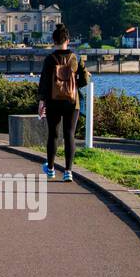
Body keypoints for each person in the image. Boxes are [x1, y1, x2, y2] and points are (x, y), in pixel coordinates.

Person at [37, 24, 88, 183]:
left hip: (53, 101)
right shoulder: (75, 58)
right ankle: (68, 172)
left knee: (53, 134)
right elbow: (84, 80)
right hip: (72, 102)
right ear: (68, 40)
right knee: (69, 134)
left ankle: (51, 169)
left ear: (54, 40)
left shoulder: (49, 59)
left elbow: (44, 82)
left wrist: (41, 102)